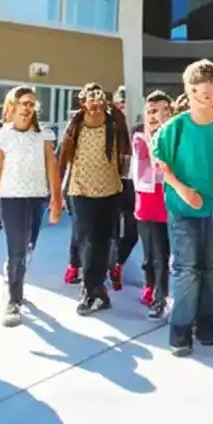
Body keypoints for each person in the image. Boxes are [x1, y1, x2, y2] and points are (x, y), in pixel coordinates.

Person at [151, 59, 213, 357]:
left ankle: (205, 321)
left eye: (212, 92)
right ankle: (180, 328)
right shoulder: (174, 128)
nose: (206, 97)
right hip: (183, 208)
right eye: (200, 92)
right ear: (189, 90)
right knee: (186, 268)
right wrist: (184, 190)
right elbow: (161, 166)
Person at [0, 86, 63, 326]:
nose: (29, 108)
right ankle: (13, 301)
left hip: (36, 197)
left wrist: (56, 200)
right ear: (12, 106)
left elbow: (52, 168)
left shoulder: (44, 136)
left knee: (28, 246)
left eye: (32, 104)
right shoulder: (3, 136)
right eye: (24, 103)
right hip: (10, 199)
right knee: (17, 250)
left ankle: (13, 272)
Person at [57, 84, 130, 315]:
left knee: (102, 242)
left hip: (110, 192)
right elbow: (63, 158)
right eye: (91, 99)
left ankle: (99, 290)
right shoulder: (75, 125)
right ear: (83, 102)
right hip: (81, 192)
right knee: (87, 241)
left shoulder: (115, 123)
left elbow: (126, 154)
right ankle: (89, 292)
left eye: (100, 99)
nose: (96, 103)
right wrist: (57, 192)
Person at [132, 90, 174, 318]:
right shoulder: (139, 138)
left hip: (166, 203)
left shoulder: (175, 138)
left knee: (162, 254)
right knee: (149, 254)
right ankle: (149, 286)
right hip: (145, 204)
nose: (156, 116)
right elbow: (147, 159)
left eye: (163, 112)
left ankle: (161, 296)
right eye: (151, 112)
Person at [108, 86, 140, 292]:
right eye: (120, 104)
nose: (123, 108)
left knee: (132, 231)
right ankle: (106, 265)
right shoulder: (108, 126)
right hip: (111, 182)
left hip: (134, 183)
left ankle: (118, 263)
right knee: (108, 229)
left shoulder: (140, 128)